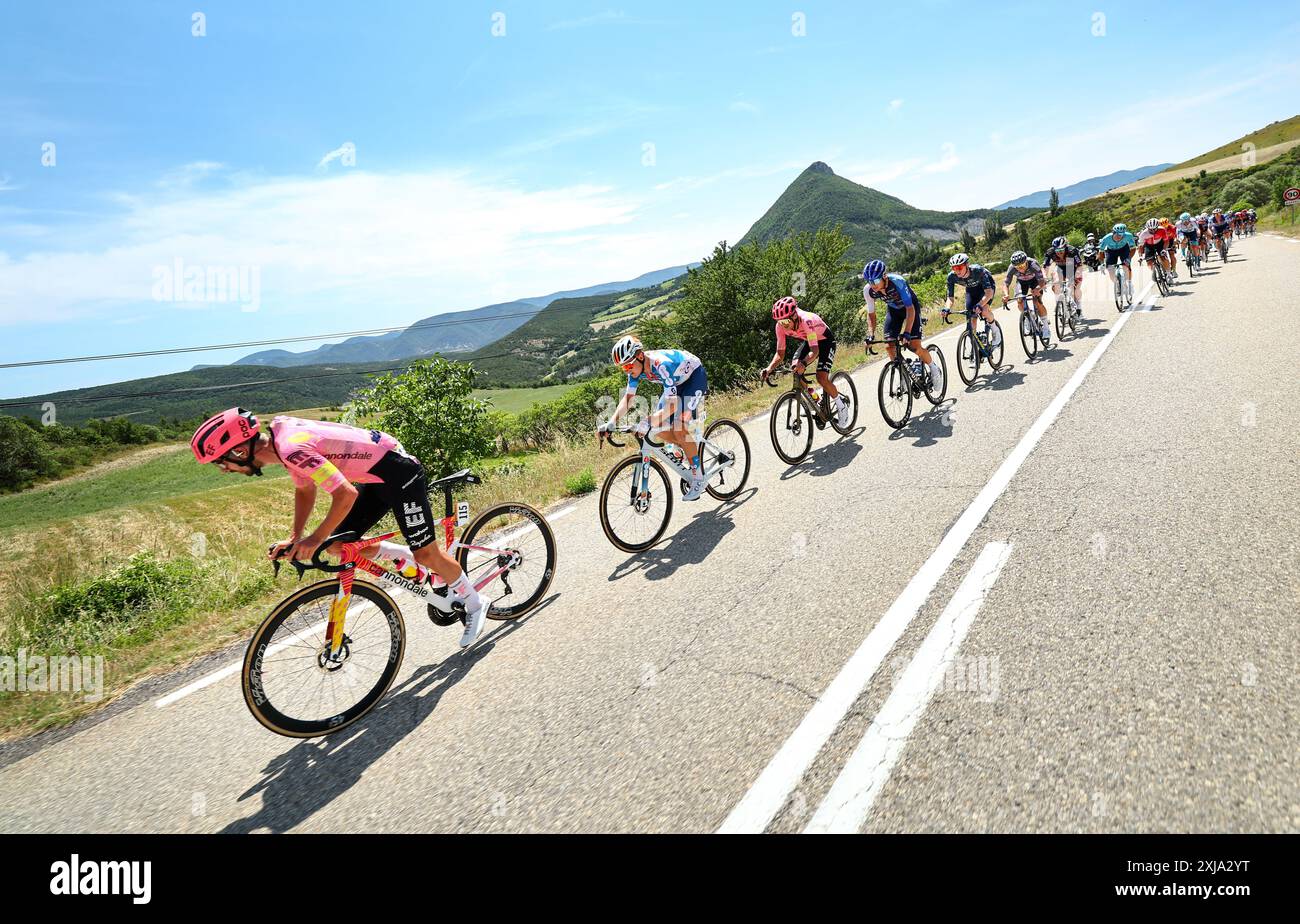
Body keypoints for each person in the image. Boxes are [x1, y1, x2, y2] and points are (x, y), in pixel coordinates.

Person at [191, 408, 489, 647]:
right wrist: (296, 538)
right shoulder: (283, 448)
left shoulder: (290, 448)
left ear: (240, 452)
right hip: (375, 476)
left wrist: (314, 537)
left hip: (399, 473)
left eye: (222, 463)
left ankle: (475, 605)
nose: (225, 469)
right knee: (338, 545)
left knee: (426, 554)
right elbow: (305, 490)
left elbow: (345, 494)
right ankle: (407, 559)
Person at [602, 336, 711, 500]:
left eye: (629, 366)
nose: (628, 371)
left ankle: (698, 478)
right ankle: (684, 445)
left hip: (694, 378)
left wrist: (647, 421)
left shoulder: (661, 366)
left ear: (640, 356)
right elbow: (628, 399)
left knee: (679, 427)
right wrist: (610, 423)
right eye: (624, 368)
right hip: (676, 383)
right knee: (657, 430)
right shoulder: (635, 370)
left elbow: (672, 406)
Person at [760, 296, 851, 428]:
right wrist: (769, 369)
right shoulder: (780, 326)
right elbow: (780, 353)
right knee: (795, 368)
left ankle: (841, 404)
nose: (783, 325)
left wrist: (803, 364)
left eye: (785, 321)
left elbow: (815, 351)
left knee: (821, 378)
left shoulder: (806, 320)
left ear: (794, 316)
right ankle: (816, 399)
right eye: (780, 322)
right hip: (810, 341)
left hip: (825, 341)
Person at [862, 259, 944, 390]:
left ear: (884, 276)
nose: (873, 285)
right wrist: (870, 335)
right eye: (870, 281)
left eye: (876, 281)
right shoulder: (868, 291)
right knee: (889, 346)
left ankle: (934, 369)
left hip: (910, 308)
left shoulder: (898, 282)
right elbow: (871, 314)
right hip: (894, 311)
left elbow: (910, 309)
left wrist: (906, 332)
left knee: (914, 346)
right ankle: (904, 375)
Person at [942, 252, 1000, 346]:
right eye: (954, 268)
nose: (957, 271)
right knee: (971, 318)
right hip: (971, 290)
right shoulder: (951, 277)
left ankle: (995, 330)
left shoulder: (977, 270)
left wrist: (980, 304)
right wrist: (947, 308)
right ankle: (976, 349)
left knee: (984, 311)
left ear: (967, 265)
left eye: (959, 267)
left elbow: (989, 293)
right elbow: (950, 298)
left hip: (986, 288)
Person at [1002, 250, 1052, 344]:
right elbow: (1006, 282)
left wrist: (1037, 288)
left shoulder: (1033, 264)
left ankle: (1046, 327)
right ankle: (1028, 316)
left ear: (1026, 262)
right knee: (1020, 300)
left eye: (1022, 265)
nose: (1020, 268)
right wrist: (1006, 295)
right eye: (1018, 267)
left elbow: (1041, 281)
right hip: (1021, 282)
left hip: (1035, 281)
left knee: (1037, 301)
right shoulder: (1012, 267)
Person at [1041, 236, 1087, 314]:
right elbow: (1045, 267)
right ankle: (1059, 304)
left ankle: (1078, 306)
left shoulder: (1072, 251)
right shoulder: (1050, 252)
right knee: (1056, 284)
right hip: (1060, 267)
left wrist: (1077, 275)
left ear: (1065, 247)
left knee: (1073, 287)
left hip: (1071, 266)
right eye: (1057, 250)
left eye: (1061, 250)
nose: (1059, 253)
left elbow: (1079, 266)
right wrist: (1044, 277)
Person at [1097, 222, 1136, 300]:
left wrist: (1129, 258)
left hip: (1123, 249)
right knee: (1110, 270)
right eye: (1118, 234)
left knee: (1126, 266)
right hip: (1111, 251)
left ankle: (1129, 283)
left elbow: (1133, 248)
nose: (1120, 237)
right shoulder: (1106, 238)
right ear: (1113, 232)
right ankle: (1117, 284)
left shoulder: (1128, 236)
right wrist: (1102, 264)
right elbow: (1100, 252)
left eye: (1122, 235)